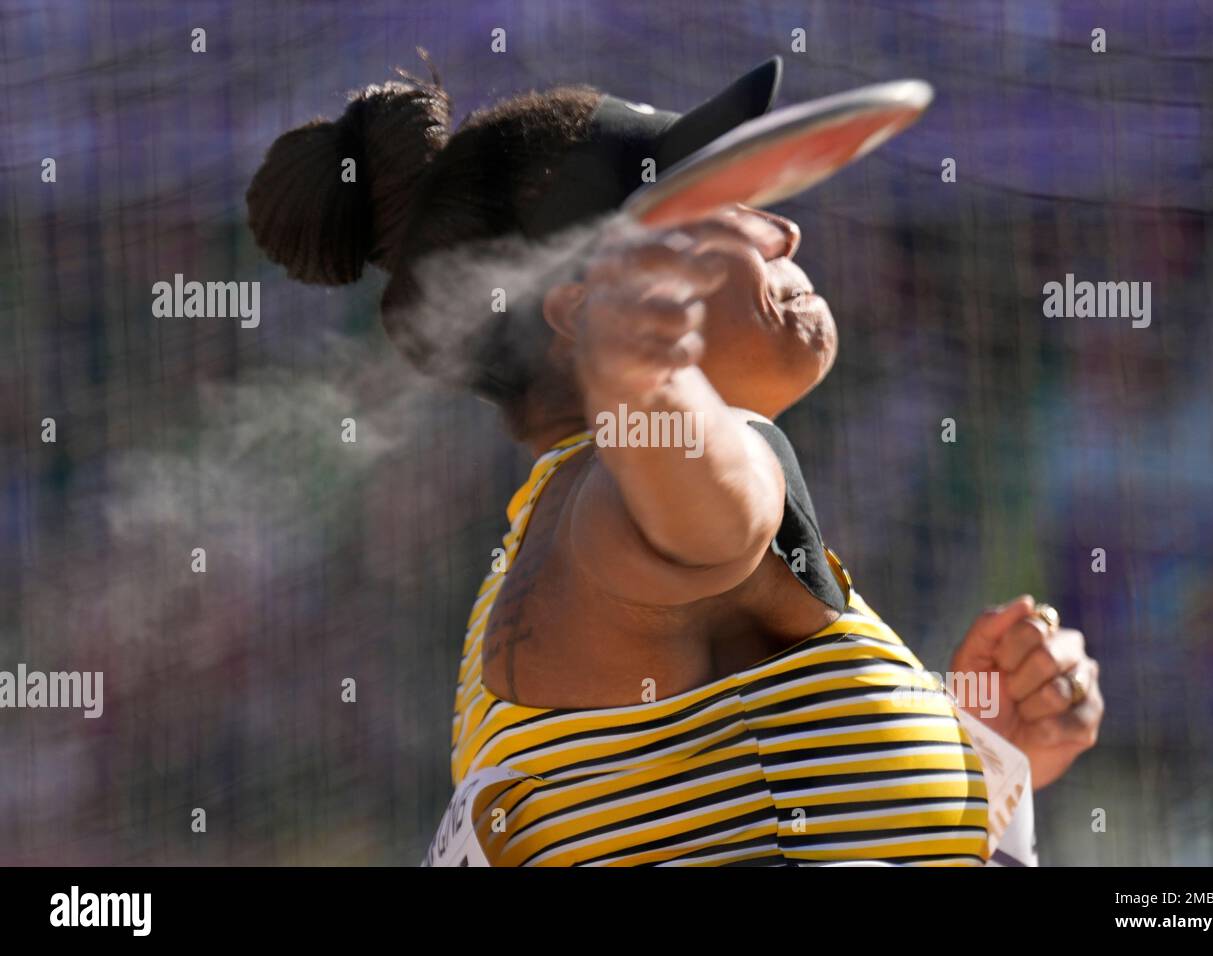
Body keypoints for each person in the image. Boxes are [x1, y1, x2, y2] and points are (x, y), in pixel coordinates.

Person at [247, 53, 1103, 866]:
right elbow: (692, 517)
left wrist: (992, 757)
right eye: (723, 202)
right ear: (585, 310)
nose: (782, 228)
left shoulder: (558, 573)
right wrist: (643, 380)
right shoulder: (619, 516)